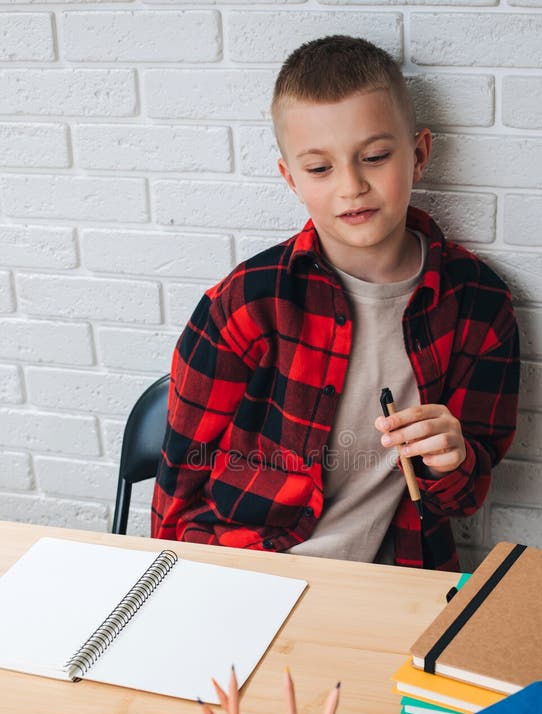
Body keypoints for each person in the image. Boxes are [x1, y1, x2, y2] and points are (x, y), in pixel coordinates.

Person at [151, 35, 519, 572]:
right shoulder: (246, 302)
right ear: (291, 179)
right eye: (321, 169)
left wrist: (453, 458)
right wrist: (165, 579)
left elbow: (463, 498)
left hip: (394, 576)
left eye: (373, 157)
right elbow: (182, 468)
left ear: (419, 154)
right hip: (248, 565)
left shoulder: (479, 305)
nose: (352, 186)